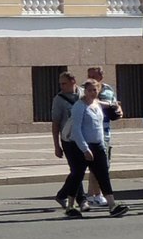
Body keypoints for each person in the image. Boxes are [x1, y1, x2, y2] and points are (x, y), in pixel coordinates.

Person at [64, 80, 129, 218]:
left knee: (103, 175)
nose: (92, 93)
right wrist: (85, 149)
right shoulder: (79, 106)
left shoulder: (96, 104)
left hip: (98, 145)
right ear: (85, 91)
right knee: (77, 175)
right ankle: (70, 206)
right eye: (89, 90)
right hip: (82, 146)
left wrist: (115, 106)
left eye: (95, 90)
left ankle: (112, 205)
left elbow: (101, 120)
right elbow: (76, 129)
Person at [85, 65, 122, 207]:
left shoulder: (107, 89)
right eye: (89, 75)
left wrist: (118, 109)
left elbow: (115, 103)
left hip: (106, 131)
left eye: (93, 76)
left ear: (101, 76)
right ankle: (97, 194)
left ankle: (91, 194)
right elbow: (91, 102)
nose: (91, 79)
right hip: (92, 131)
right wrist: (109, 105)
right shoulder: (85, 89)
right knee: (99, 165)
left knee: (103, 165)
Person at [48, 69, 83, 213]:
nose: (62, 86)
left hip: (83, 137)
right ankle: (81, 200)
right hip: (67, 139)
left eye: (64, 83)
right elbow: (55, 123)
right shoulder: (59, 99)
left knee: (79, 170)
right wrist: (56, 145)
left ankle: (63, 195)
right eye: (60, 84)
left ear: (73, 81)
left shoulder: (83, 94)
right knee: (76, 170)